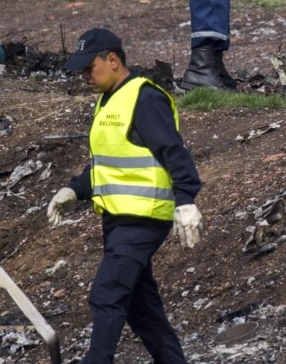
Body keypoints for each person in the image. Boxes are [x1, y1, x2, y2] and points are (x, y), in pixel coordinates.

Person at [47, 28, 203, 364]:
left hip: (143, 219)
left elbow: (174, 153)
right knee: (141, 309)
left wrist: (186, 199)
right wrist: (75, 189)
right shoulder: (109, 100)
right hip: (119, 220)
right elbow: (109, 163)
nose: (85, 76)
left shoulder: (145, 99)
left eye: (90, 67)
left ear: (113, 60)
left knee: (107, 296)